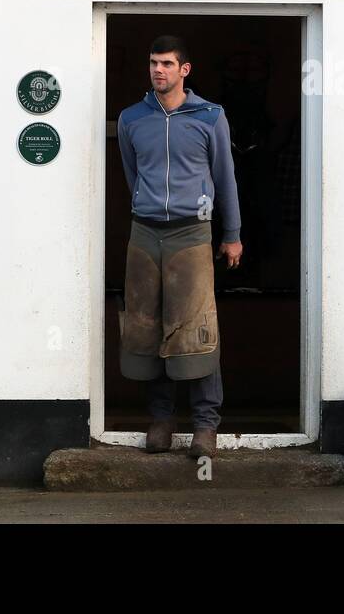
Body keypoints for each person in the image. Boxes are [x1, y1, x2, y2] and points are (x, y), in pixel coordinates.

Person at [116, 35, 243, 459]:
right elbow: (132, 176)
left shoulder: (210, 116)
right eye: (153, 63)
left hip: (193, 233)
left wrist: (232, 233)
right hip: (145, 233)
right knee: (148, 326)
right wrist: (148, 209)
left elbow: (225, 177)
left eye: (168, 64)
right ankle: (161, 421)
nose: (159, 70)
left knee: (197, 327)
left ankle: (206, 426)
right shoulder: (132, 118)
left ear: (184, 69)